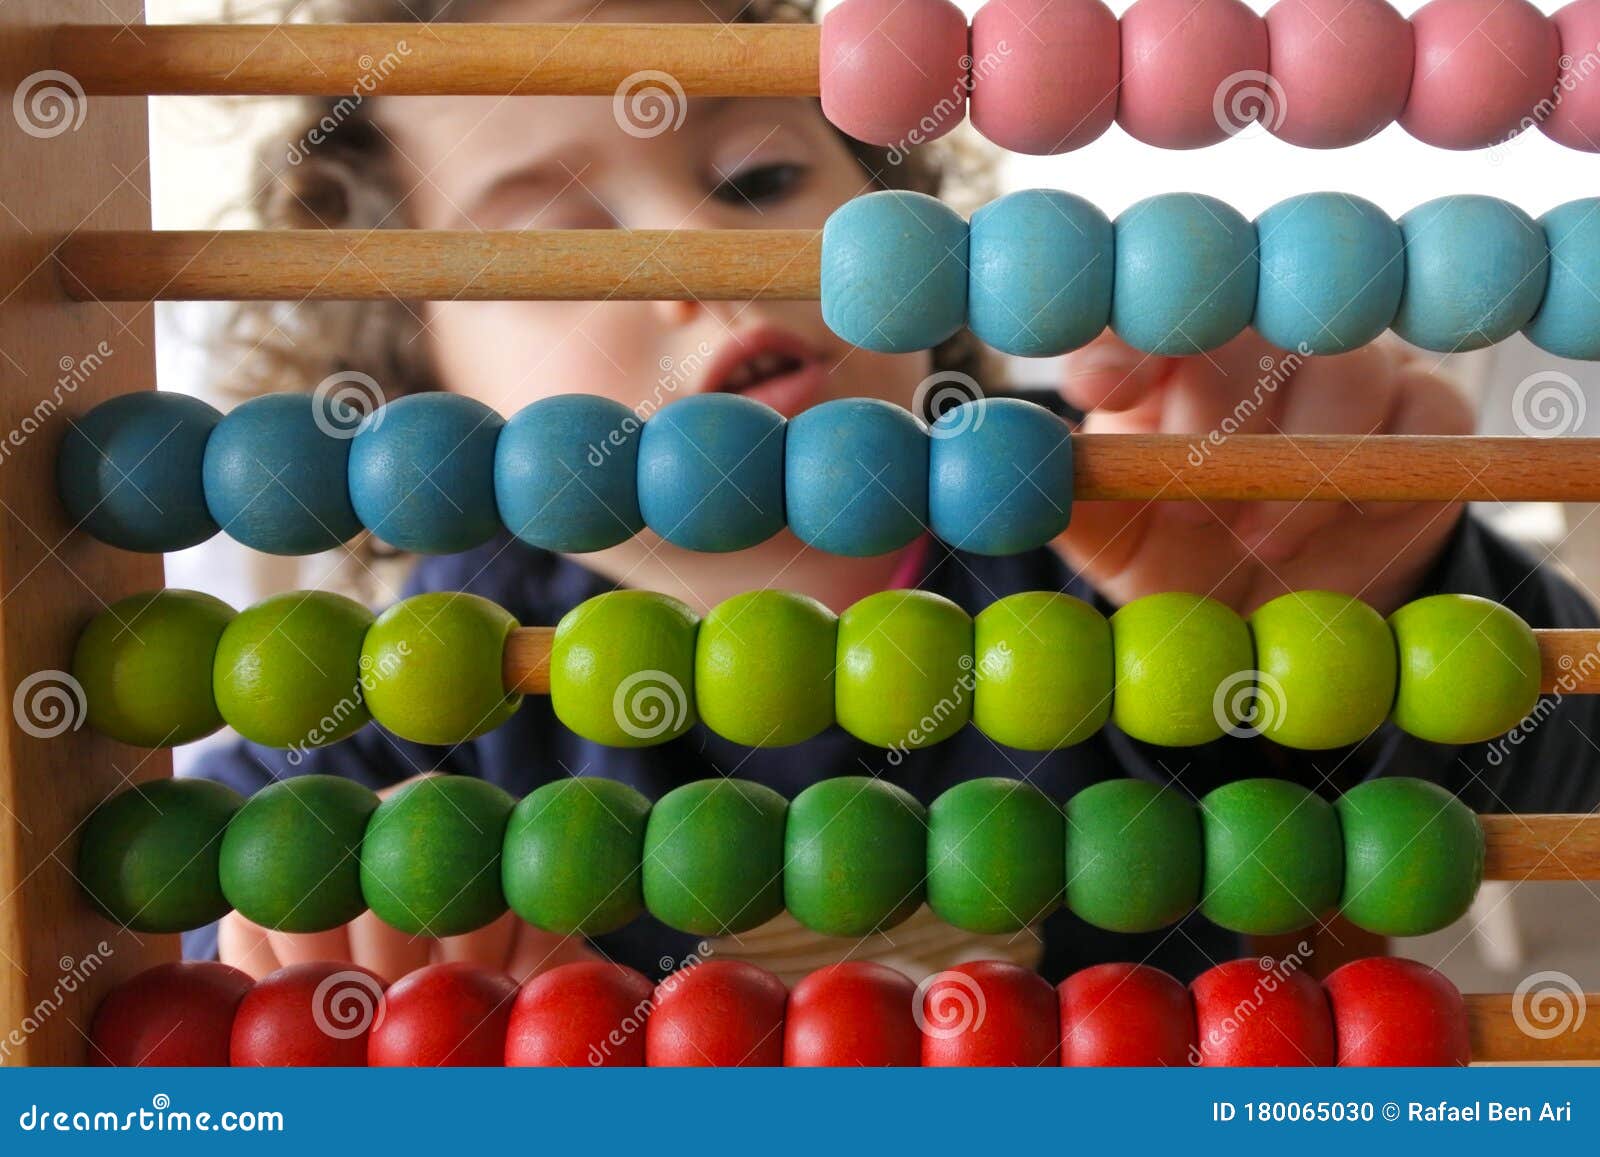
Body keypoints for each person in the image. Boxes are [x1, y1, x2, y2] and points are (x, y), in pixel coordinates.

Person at [189, 0, 1600, 988]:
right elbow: (166, 948)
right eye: (566, 249)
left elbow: (1560, 777)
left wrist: (1383, 605)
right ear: (423, 384)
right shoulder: (398, 724)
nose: (703, 249)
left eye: (756, 176)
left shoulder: (1143, 521)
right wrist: (316, 978)